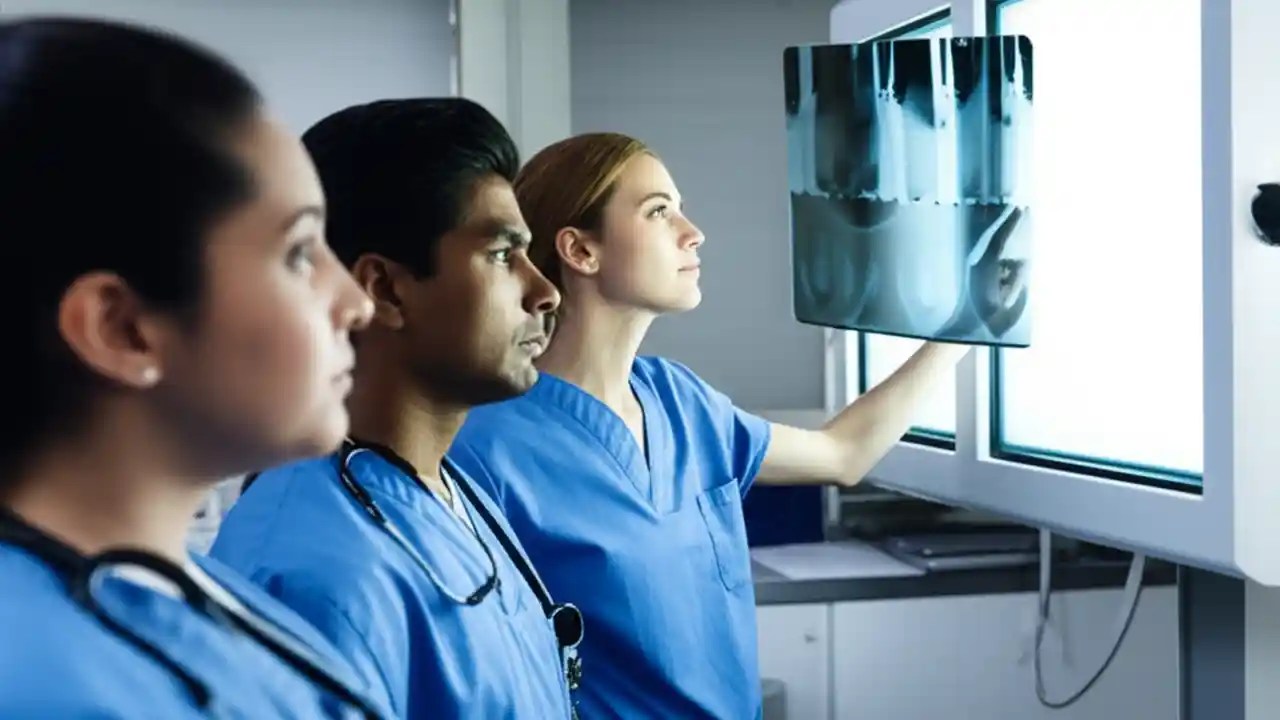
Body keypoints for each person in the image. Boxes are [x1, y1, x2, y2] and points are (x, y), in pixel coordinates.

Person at [449, 132, 1026, 718]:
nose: (692, 231)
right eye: (658, 212)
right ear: (581, 251)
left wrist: (961, 329)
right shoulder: (485, 446)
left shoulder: (681, 402)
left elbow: (843, 454)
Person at [0, 17, 390, 719]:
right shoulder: (46, 686)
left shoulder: (190, 595)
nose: (358, 304)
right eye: (300, 254)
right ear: (122, 330)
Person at [209, 98, 577, 720]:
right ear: (384, 289)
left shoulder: (448, 495)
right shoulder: (312, 577)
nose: (543, 292)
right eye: (500, 255)